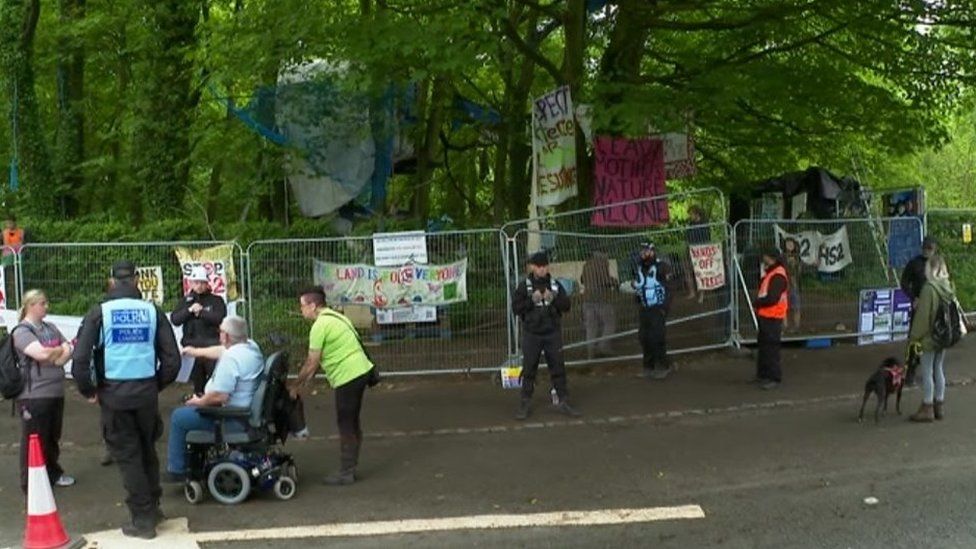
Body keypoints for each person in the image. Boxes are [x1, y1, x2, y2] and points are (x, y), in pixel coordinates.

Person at [72, 260, 181, 540]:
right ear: (136, 281)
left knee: (128, 456)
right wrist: (155, 384)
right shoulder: (152, 311)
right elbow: (172, 360)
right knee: (147, 450)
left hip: (114, 394)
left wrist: (89, 390)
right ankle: (154, 508)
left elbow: (81, 360)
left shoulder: (99, 313)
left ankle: (143, 519)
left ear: (111, 281)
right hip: (145, 393)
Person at [291, 286, 378, 486]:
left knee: (346, 422)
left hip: (348, 376)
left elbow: (312, 362)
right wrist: (304, 384)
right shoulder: (337, 317)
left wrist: (295, 385)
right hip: (361, 371)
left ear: (313, 306)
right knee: (352, 421)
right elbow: (317, 364)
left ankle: (347, 471)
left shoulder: (320, 326)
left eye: (303, 306)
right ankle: (350, 466)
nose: (301, 310)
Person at [164, 316, 263, 481]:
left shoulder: (232, 359)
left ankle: (177, 469)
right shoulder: (250, 346)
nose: (219, 334)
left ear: (226, 336)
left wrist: (199, 402)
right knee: (190, 409)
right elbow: (221, 350)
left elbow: (219, 395)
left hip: (230, 417)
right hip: (245, 412)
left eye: (221, 331)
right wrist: (194, 352)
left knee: (179, 417)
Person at [13, 290, 75, 493]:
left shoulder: (51, 328)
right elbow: (40, 354)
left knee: (51, 437)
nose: (46, 306)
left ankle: (52, 473)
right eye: (42, 303)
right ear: (31, 306)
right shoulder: (22, 331)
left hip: (55, 391)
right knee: (33, 438)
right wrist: (57, 351)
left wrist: (55, 353)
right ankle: (30, 482)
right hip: (33, 394)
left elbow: (64, 355)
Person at [511, 252, 579, 419]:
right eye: (538, 266)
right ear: (532, 267)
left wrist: (553, 299)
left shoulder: (555, 285)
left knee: (558, 367)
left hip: (552, 333)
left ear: (547, 267)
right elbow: (516, 309)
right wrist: (531, 301)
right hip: (532, 334)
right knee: (529, 369)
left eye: (544, 266)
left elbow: (567, 306)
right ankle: (524, 403)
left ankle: (564, 401)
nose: (541, 270)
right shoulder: (524, 286)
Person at [907, 254, 955, 423]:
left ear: (931, 269)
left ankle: (927, 406)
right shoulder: (947, 286)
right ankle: (939, 404)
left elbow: (922, 318)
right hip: (943, 336)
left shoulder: (929, 289)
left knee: (927, 371)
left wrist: (914, 337)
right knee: (939, 369)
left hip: (929, 337)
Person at [171, 265, 227, 395]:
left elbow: (219, 318)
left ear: (207, 283)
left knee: (214, 380)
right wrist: (189, 310)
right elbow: (175, 319)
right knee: (197, 382)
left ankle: (213, 402)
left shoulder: (216, 300)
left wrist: (200, 312)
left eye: (202, 282)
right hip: (191, 347)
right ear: (190, 283)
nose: (199, 286)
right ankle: (198, 399)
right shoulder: (185, 301)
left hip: (210, 346)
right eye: (196, 282)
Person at [633, 242, 675, 380]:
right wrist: (637, 299)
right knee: (644, 337)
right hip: (645, 308)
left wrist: (664, 307)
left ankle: (663, 366)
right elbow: (639, 286)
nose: (644, 254)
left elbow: (670, 288)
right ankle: (648, 367)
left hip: (658, 307)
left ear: (652, 251)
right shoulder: (639, 268)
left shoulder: (662, 267)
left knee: (657, 337)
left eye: (647, 251)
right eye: (642, 251)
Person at [754, 248, 789, 390]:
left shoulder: (778, 275)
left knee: (771, 348)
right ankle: (763, 374)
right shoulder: (773, 273)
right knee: (764, 346)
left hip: (773, 315)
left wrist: (758, 303)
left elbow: (772, 298)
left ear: (771, 258)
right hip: (767, 314)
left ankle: (774, 376)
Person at [580, 245, 618, 359]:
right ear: (602, 254)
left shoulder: (587, 264)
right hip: (601, 299)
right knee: (610, 323)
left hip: (587, 300)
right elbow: (604, 280)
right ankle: (603, 346)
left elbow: (582, 279)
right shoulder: (602, 263)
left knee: (591, 328)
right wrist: (614, 282)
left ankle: (590, 353)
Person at [900, 237, 937, 308]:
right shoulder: (914, 263)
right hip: (919, 301)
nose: (926, 251)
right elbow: (904, 283)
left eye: (930, 249)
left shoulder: (938, 264)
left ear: (934, 250)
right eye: (925, 248)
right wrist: (914, 297)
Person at [684, 206, 710, 301]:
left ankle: (701, 294)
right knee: (687, 270)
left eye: (691, 213)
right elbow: (687, 237)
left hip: (700, 251)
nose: (690, 216)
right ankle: (692, 292)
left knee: (700, 272)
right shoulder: (690, 224)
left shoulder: (704, 224)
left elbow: (707, 239)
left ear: (696, 213)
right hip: (690, 250)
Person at [782, 237, 802, 331]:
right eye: (787, 243)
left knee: (796, 306)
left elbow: (799, 270)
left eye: (791, 243)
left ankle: (796, 326)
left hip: (794, 284)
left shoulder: (797, 257)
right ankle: (785, 326)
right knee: (784, 306)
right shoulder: (782, 257)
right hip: (784, 284)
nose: (789, 245)